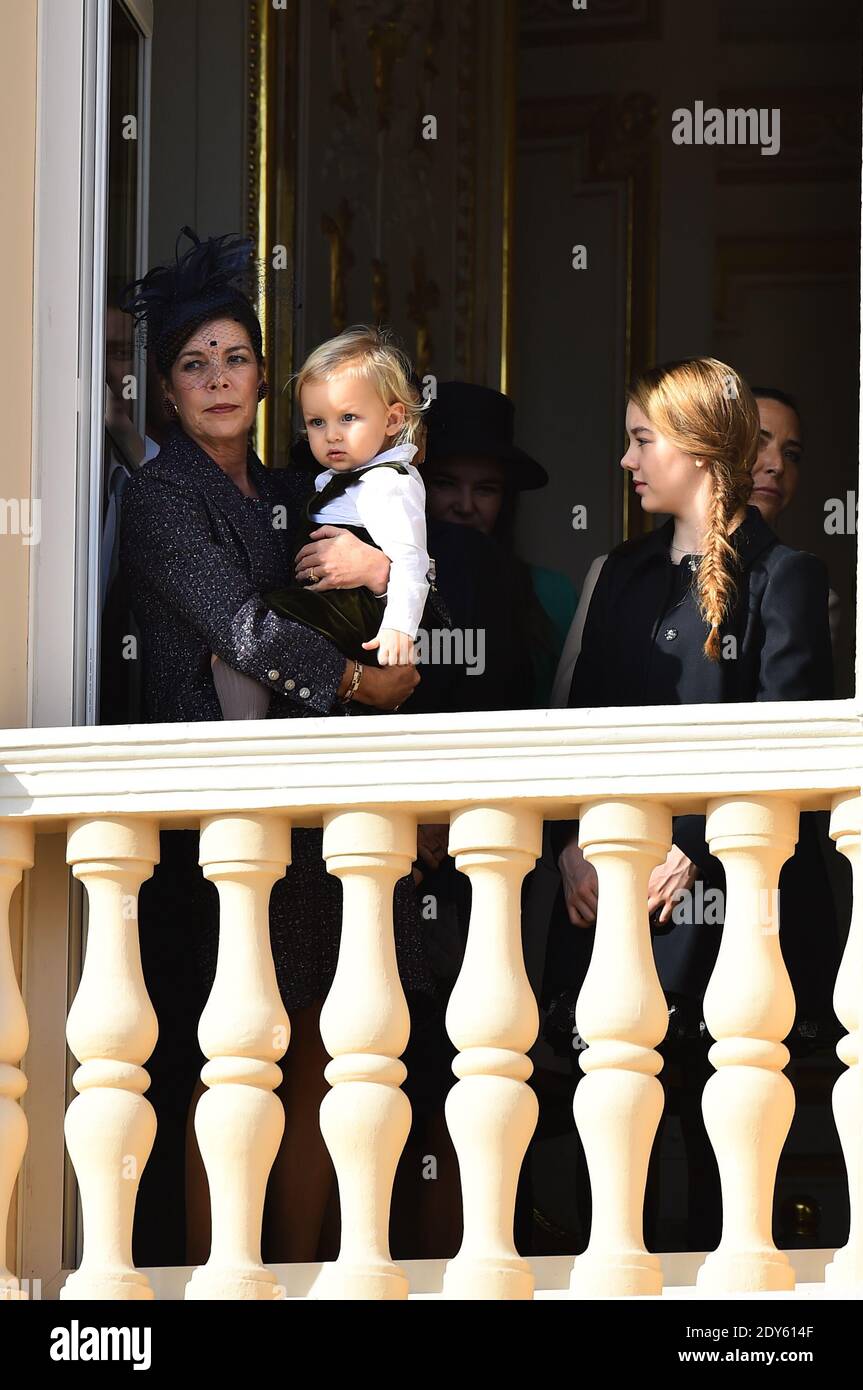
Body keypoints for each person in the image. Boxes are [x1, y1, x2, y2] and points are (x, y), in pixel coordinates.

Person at [118, 227, 430, 1265]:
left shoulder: (299, 486)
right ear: (166, 390)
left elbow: (387, 566)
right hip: (215, 817)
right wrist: (356, 680)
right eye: (193, 363)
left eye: (234, 358)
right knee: (233, 1060)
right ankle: (230, 1281)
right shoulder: (161, 497)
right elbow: (242, 629)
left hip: (310, 813)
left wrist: (385, 586)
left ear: (261, 377)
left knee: (312, 1055)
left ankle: (298, 1276)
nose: (216, 377)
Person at [549, 357, 835, 1248]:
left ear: (701, 452)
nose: (627, 461)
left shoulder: (781, 575)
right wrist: (571, 846)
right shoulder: (621, 573)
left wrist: (692, 850)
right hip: (614, 895)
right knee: (620, 1120)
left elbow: (782, 752)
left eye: (642, 441)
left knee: (727, 1129)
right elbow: (579, 734)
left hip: (727, 907)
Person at [422, 382, 578, 708]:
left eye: (485, 489)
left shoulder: (551, 594)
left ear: (505, 500)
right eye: (445, 484)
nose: (465, 505)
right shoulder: (380, 583)